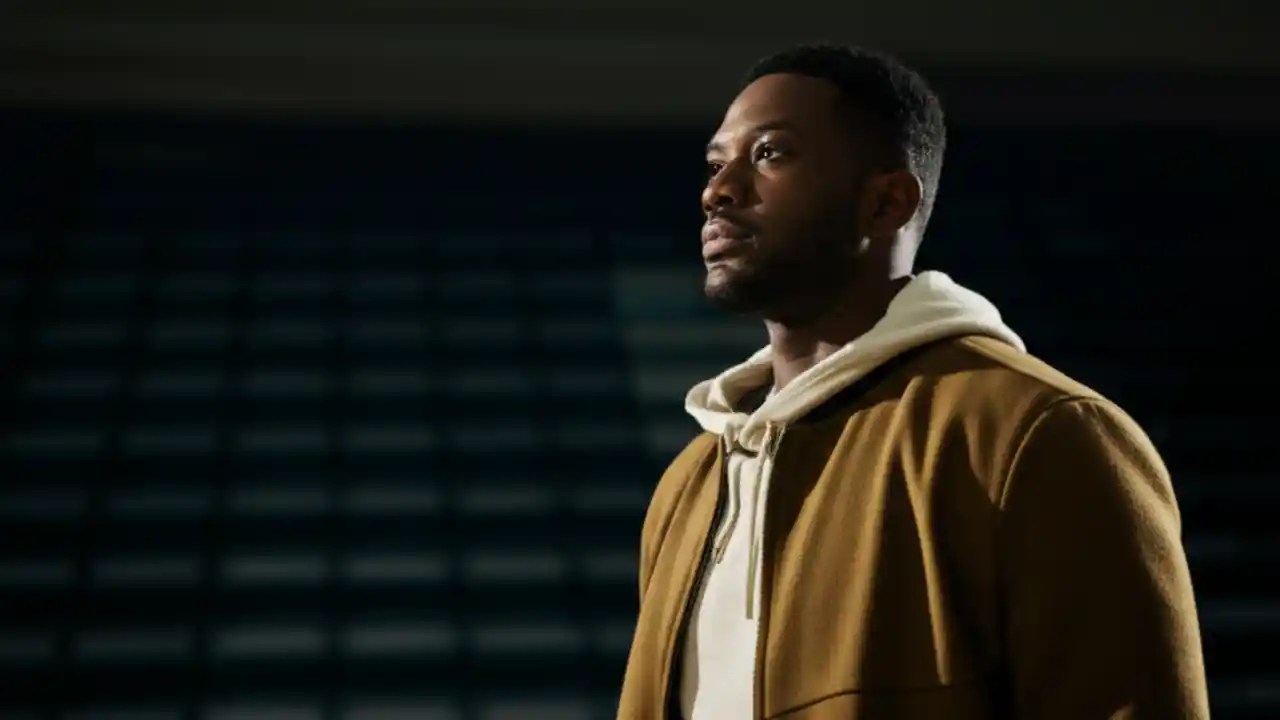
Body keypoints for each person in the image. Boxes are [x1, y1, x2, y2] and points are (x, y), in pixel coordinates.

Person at [617, 43, 1210, 719]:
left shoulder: (1038, 434)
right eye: (717, 163)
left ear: (887, 202)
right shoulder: (691, 481)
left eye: (770, 154)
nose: (718, 190)